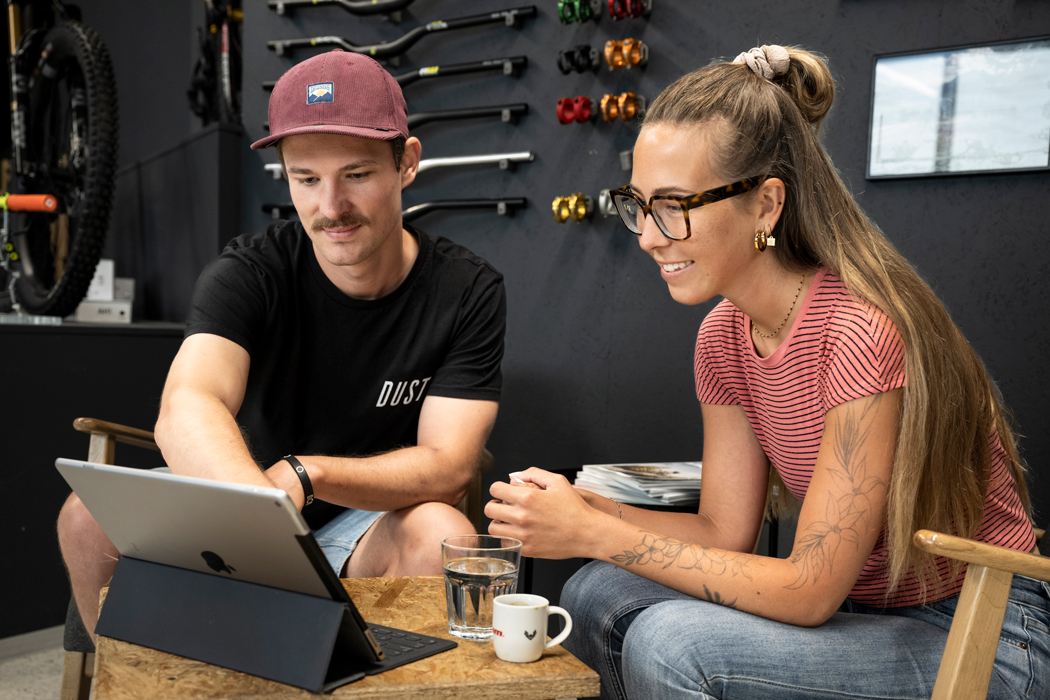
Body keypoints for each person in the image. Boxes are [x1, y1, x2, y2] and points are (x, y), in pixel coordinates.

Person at [486, 45, 1047, 700]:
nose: (648, 236)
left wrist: (598, 532)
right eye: (637, 204)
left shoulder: (861, 331)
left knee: (672, 646)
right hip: (862, 615)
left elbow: (809, 589)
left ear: (766, 205)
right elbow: (726, 533)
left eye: (674, 204)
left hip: (987, 631)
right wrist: (589, 508)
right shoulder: (723, 338)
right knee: (591, 592)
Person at [57, 49, 505, 641]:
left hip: (362, 520)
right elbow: (188, 404)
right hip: (241, 495)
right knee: (87, 519)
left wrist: (307, 474)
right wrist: (263, 527)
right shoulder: (249, 271)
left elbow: (448, 467)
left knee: (440, 532)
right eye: (306, 179)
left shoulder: (468, 289)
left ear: (407, 163)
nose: (330, 206)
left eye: (357, 174)